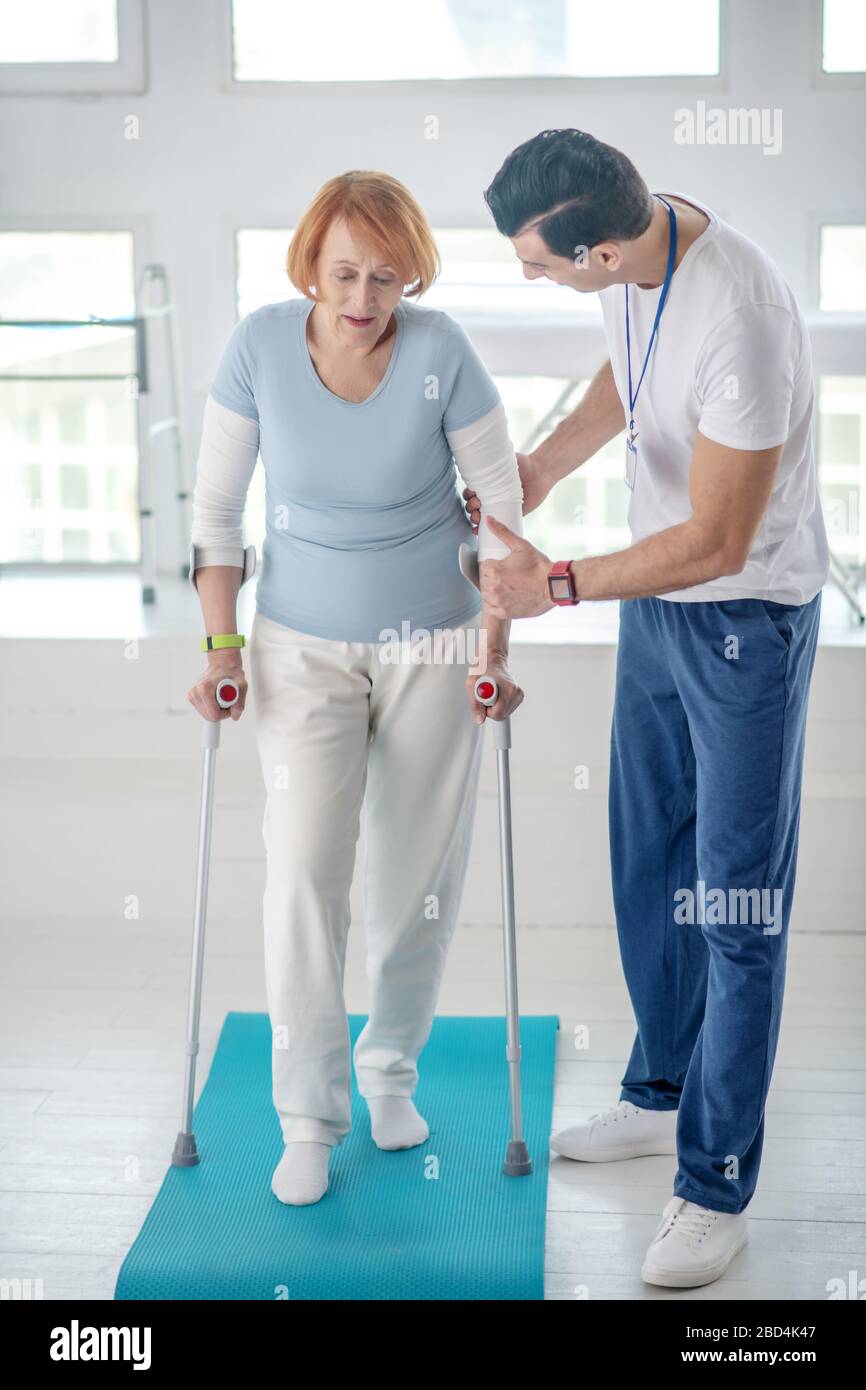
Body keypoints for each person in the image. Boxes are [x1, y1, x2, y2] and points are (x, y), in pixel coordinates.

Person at [463, 128, 829, 1289]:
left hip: (741, 619)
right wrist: (540, 470)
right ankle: (658, 1091)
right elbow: (624, 374)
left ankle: (713, 1180)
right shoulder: (637, 253)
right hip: (659, 611)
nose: (531, 278)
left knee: (732, 903)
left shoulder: (744, 322)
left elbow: (718, 538)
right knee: (645, 867)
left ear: (603, 244)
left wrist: (553, 582)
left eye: (541, 264)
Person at [187, 170, 525, 1207]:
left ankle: (389, 1072)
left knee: (414, 876)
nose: (363, 296)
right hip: (299, 646)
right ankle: (306, 1113)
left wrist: (493, 655)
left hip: (433, 641)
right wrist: (222, 650)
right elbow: (214, 517)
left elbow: (500, 514)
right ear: (309, 264)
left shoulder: (441, 351)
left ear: (411, 272)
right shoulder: (256, 348)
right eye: (343, 271)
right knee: (300, 876)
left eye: (385, 275)